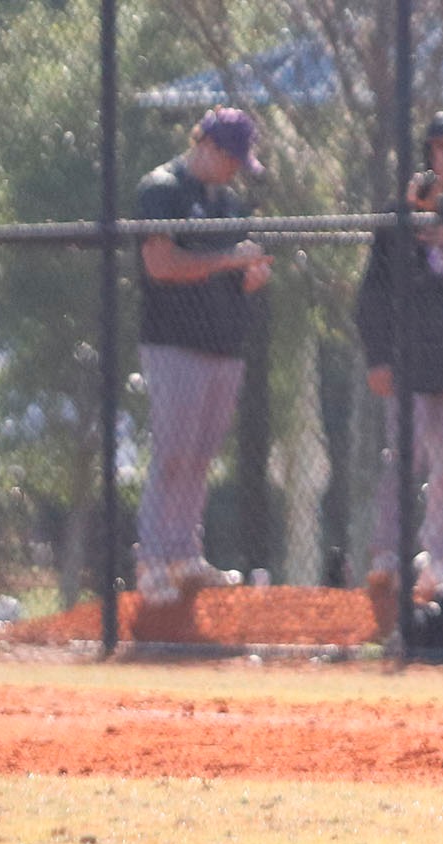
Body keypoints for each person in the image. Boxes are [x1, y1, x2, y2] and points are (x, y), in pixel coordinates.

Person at [356, 109, 443, 603]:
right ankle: (387, 553)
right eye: (441, 148)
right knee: (404, 456)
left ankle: (438, 558)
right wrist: (378, 357)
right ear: (428, 154)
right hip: (410, 360)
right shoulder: (402, 212)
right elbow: (374, 291)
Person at [133, 106, 271, 612]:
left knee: (200, 456)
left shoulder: (228, 202)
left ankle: (184, 553)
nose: (234, 169)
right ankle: (152, 561)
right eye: (230, 158)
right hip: (173, 341)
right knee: (172, 454)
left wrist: (250, 275)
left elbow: (233, 272)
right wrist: (228, 260)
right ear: (206, 145)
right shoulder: (162, 188)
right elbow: (160, 264)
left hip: (223, 345)